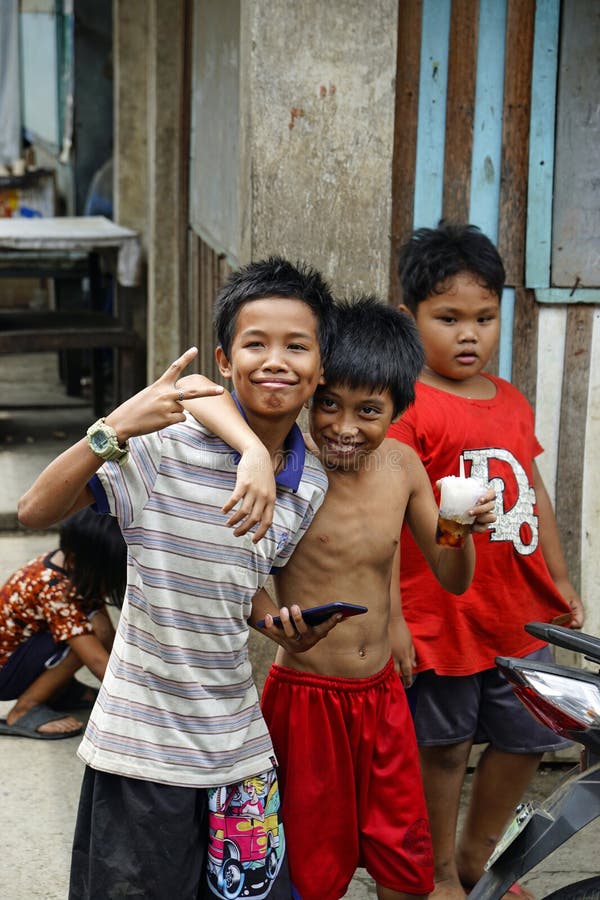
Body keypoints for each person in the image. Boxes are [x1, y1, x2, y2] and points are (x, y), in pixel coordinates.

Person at [17, 256, 339, 900]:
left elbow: (238, 577)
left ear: (320, 368)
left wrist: (279, 626)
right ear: (225, 361)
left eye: (296, 346)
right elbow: (34, 510)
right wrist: (112, 430)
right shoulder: (166, 449)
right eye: (256, 344)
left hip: (239, 749)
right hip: (143, 746)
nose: (276, 360)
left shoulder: (309, 481)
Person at [181, 296, 497, 900]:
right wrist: (271, 619)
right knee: (307, 863)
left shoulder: (402, 468)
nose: (345, 427)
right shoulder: (278, 465)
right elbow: (235, 568)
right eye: (329, 404)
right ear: (311, 390)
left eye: (368, 410)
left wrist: (459, 532)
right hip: (305, 697)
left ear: (399, 409)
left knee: (404, 858)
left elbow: (451, 578)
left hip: (380, 697)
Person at [387, 222, 585, 900]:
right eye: (448, 318)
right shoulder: (408, 410)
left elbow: (533, 495)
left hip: (519, 612)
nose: (469, 334)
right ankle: (439, 872)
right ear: (408, 318)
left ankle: (478, 856)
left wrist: (558, 577)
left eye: (484, 317)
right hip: (442, 614)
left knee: (530, 734)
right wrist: (394, 617)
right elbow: (390, 523)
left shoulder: (511, 401)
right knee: (442, 750)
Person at [0, 508, 126, 739]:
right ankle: (24, 709)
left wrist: (129, 671)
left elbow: (108, 635)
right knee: (85, 638)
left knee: (94, 627)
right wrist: (135, 699)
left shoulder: (73, 566)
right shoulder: (56, 590)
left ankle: (60, 691)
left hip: (20, 656)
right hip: (5, 673)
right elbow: (97, 659)